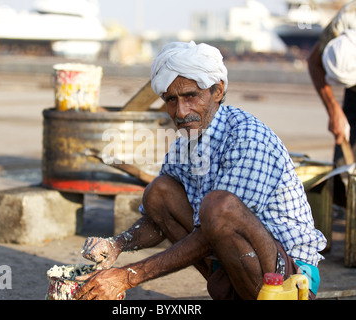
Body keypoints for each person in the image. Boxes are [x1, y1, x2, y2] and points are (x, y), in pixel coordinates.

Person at [74, 41, 327, 300]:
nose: (181, 111)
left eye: (191, 96)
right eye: (171, 100)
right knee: (158, 193)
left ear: (217, 91)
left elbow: (218, 222)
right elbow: (158, 221)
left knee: (218, 206)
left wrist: (127, 277)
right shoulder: (186, 143)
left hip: (288, 273)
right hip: (234, 260)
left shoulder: (248, 137)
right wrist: (117, 244)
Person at [307, 1, 356, 204]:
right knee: (343, 169)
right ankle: (345, 205)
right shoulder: (342, 23)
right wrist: (334, 109)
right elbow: (313, 62)